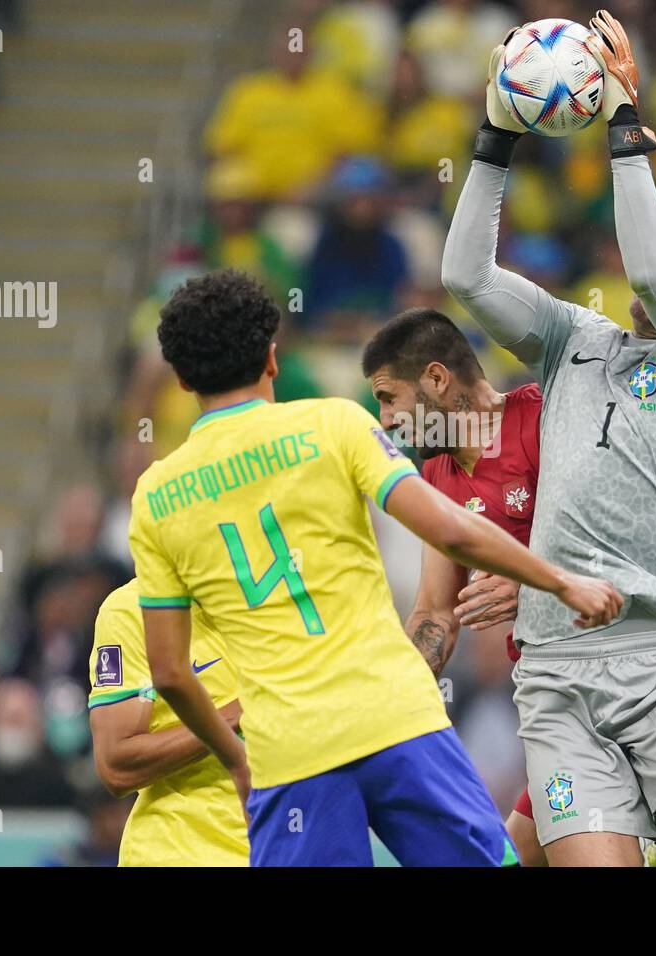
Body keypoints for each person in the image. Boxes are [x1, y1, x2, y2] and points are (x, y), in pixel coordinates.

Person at [440, 10, 656, 866]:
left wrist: (625, 126)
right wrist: (494, 137)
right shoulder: (576, 340)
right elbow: (464, 277)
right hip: (557, 680)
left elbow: (644, 273)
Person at [130, 268, 622, 866]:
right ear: (272, 358)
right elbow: (447, 530)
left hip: (289, 751)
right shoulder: (333, 424)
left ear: (180, 378)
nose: (387, 415)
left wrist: (235, 758)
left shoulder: (154, 495)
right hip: (397, 719)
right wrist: (561, 582)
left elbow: (170, 673)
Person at [362, 307, 545, 865]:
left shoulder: (545, 417)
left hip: (622, 678)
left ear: (437, 380)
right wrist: (387, 705)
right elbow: (436, 613)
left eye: (389, 398)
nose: (387, 420)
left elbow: (625, 538)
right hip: (553, 699)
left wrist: (535, 587)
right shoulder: (435, 477)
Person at [87, 579, 249, 866]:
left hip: (291, 845)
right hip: (182, 853)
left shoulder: (287, 600)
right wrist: (235, 714)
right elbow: (116, 765)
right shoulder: (133, 609)